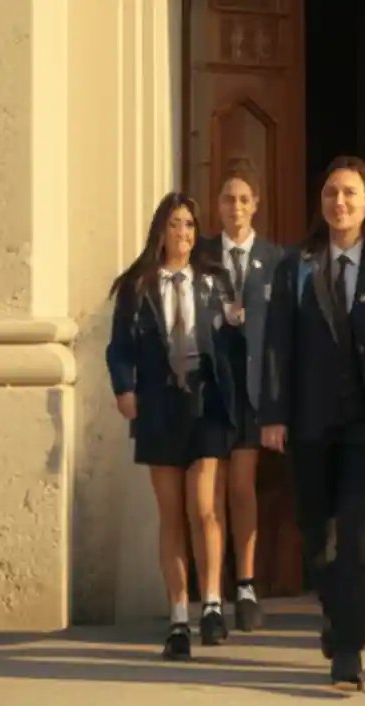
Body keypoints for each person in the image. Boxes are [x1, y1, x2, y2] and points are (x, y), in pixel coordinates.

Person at [260, 156, 365, 691]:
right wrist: (272, 414)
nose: (338, 203)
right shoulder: (296, 265)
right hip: (311, 420)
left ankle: (349, 649)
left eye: (349, 194)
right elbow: (276, 345)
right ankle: (335, 609)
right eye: (330, 194)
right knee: (316, 533)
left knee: (357, 536)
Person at [106, 192, 238, 658]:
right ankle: (179, 617)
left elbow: (233, 342)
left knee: (204, 506)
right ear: (160, 230)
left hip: (206, 404)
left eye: (189, 224)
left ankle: (214, 606)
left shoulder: (214, 282)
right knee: (172, 514)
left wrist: (235, 326)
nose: (183, 233)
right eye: (175, 224)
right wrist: (125, 388)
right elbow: (119, 347)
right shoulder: (137, 286)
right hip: (160, 408)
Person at [196, 161, 284, 633]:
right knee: (208, 495)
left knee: (242, 487)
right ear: (218, 206)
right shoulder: (202, 255)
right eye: (228, 199)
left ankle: (245, 585)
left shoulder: (275, 259)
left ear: (256, 205)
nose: (235, 208)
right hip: (211, 390)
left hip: (252, 391)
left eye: (243, 200)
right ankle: (212, 594)